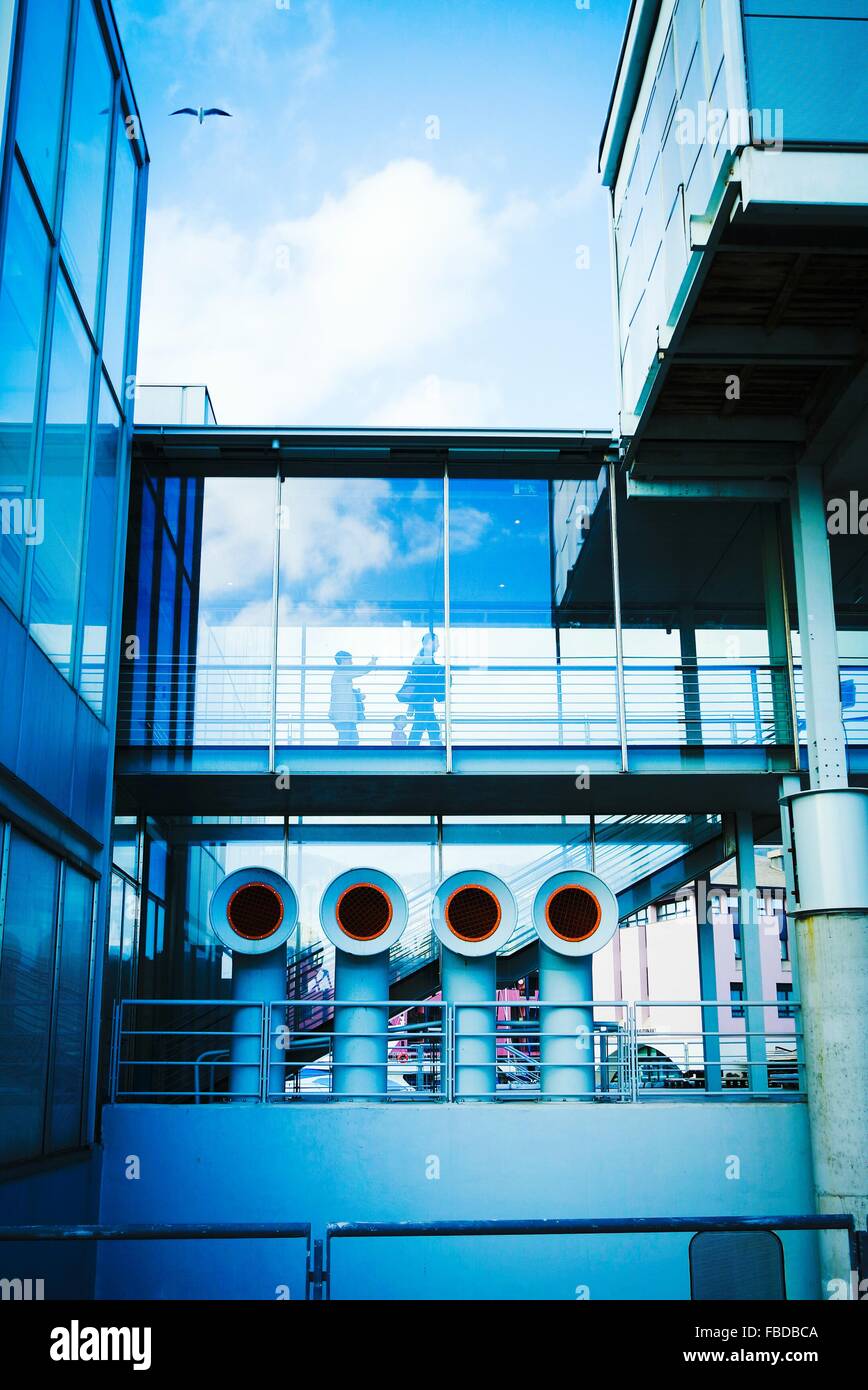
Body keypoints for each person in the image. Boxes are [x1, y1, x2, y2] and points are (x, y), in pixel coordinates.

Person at [397, 632, 445, 747]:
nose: (438, 645)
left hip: (423, 698)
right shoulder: (425, 656)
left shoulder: (423, 656)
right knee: (422, 725)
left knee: (429, 725)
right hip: (423, 698)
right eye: (437, 642)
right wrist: (441, 669)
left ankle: (432, 746)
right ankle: (417, 748)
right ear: (430, 642)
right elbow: (424, 676)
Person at [329, 651, 377, 745]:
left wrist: (357, 696)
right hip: (344, 715)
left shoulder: (340, 673)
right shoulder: (341, 671)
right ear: (343, 660)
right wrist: (372, 662)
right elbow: (360, 672)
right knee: (346, 740)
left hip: (346, 715)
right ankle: (342, 758)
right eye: (349, 659)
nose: (352, 662)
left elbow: (344, 692)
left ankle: (346, 758)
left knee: (353, 740)